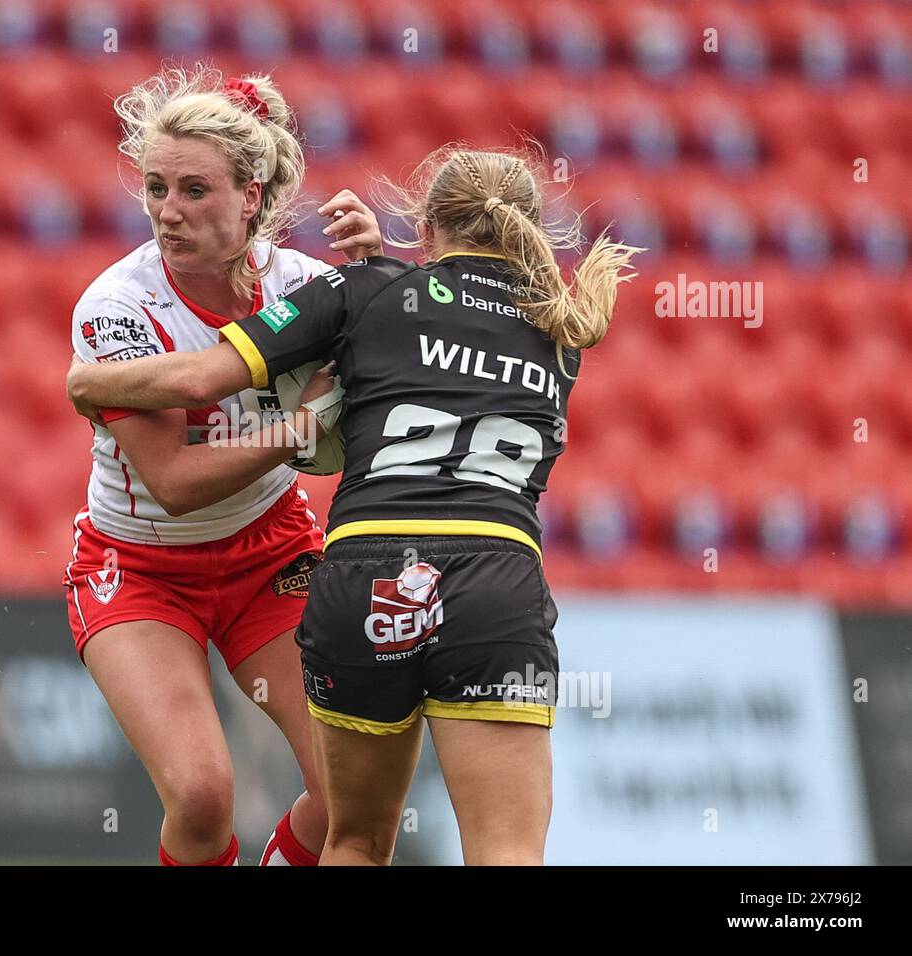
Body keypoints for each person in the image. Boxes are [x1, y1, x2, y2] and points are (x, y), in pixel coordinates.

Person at [67, 145, 643, 865]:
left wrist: (90, 385)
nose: (167, 209)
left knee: (356, 837)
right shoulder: (564, 330)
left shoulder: (358, 293)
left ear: (425, 228)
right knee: (507, 852)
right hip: (495, 582)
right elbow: (434, 329)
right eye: (158, 189)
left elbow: (199, 380)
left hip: (359, 567)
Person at [62, 64, 382, 866]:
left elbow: (407, 360)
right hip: (139, 567)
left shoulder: (310, 284)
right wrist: (303, 427)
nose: (168, 213)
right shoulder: (118, 306)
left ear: (253, 193)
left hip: (270, 551)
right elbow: (171, 484)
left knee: (352, 794)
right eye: (156, 187)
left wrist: (380, 277)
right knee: (204, 800)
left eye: (194, 191)